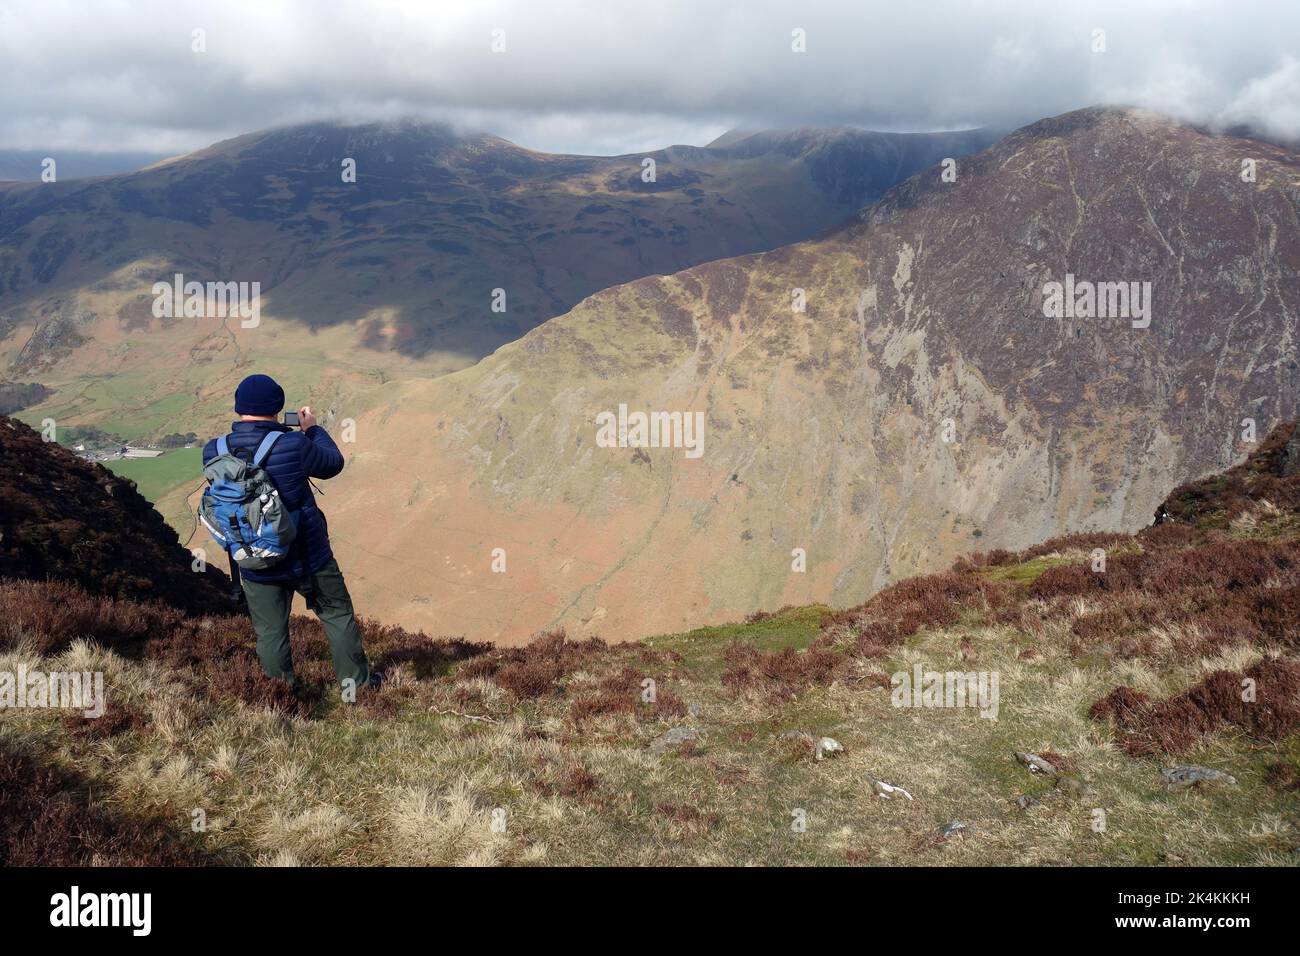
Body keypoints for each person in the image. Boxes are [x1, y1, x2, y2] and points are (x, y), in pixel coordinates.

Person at [202, 373, 374, 695]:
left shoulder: (214, 451)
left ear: (239, 408)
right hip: (308, 556)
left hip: (253, 559)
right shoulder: (293, 444)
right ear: (278, 407)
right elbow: (332, 464)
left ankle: (282, 698)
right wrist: (312, 430)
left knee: (269, 631)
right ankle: (356, 691)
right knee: (336, 615)